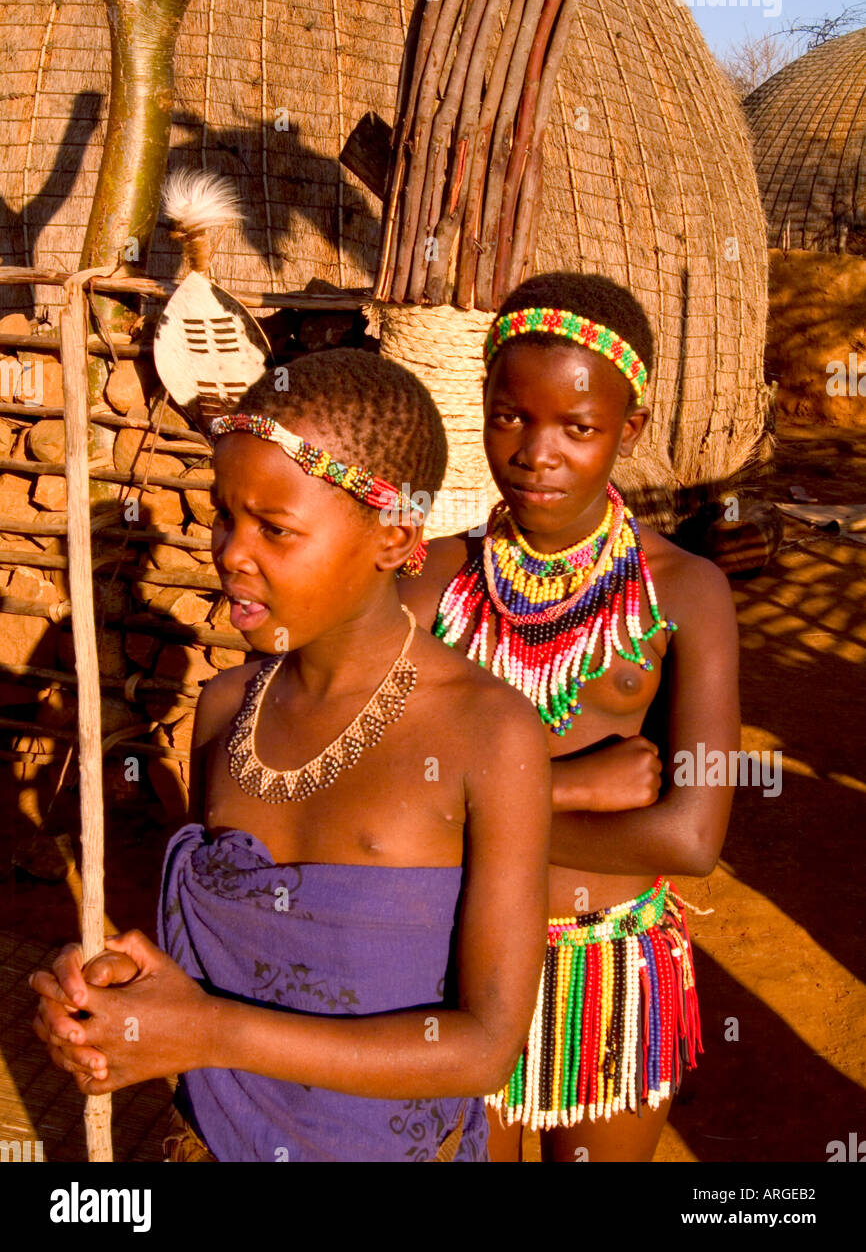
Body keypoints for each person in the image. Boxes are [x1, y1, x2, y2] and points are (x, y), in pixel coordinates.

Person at [30, 350, 551, 1163]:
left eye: (275, 528)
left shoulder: (487, 735)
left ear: (394, 537)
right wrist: (121, 1003)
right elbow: (231, 957)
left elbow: (485, 1048)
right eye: (224, 515)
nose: (233, 552)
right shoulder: (228, 709)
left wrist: (208, 1032)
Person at [399, 274, 740, 1163]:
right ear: (484, 405)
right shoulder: (429, 581)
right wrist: (570, 789)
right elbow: (380, 787)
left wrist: (476, 817)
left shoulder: (686, 593)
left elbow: (691, 838)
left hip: (614, 968)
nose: (536, 453)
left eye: (578, 428)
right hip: (457, 955)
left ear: (628, 429)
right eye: (511, 417)